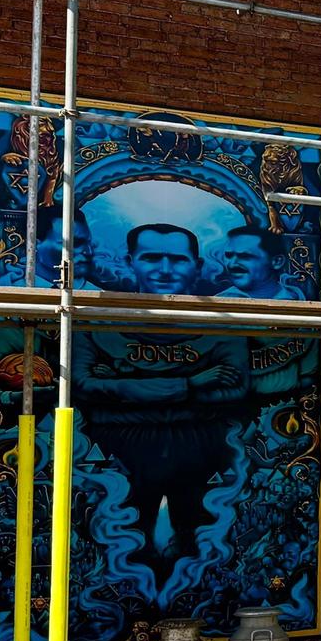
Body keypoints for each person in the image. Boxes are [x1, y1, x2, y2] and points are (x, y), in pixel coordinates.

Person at [73, 222, 248, 580]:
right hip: (117, 451)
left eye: (178, 259)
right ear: (130, 261)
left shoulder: (226, 324)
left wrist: (124, 387)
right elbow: (83, 384)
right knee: (119, 546)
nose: (165, 269)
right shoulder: (91, 320)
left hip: (201, 449)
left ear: (197, 266)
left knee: (199, 543)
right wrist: (191, 382)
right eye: (152, 257)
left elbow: (234, 390)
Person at [216, 225, 295, 300]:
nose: (232, 264)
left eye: (245, 256)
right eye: (228, 256)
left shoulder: (297, 299)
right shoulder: (216, 304)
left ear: (277, 262)